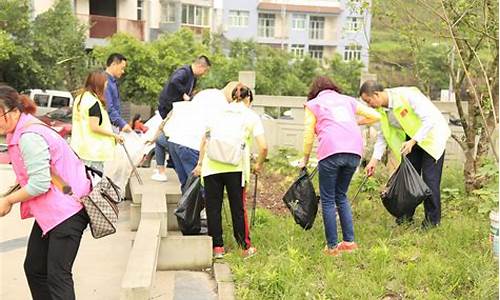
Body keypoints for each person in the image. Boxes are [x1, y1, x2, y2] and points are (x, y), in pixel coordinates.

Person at [0, 85, 91, 299]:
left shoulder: (29, 135)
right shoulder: (26, 129)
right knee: (35, 269)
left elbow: (39, 183)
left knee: (58, 277)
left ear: (14, 111)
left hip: (67, 212)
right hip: (55, 211)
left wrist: (9, 200)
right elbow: (39, 172)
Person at [299, 76, 380, 256]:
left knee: (328, 199)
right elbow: (376, 115)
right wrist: (354, 123)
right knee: (341, 195)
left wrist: (304, 159)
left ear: (315, 91)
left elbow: (307, 136)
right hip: (354, 151)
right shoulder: (347, 101)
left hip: (331, 151)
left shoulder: (314, 104)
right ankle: (349, 243)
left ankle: (332, 247)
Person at [360, 80, 451, 228]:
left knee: (429, 181)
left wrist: (413, 141)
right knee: (407, 178)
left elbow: (429, 120)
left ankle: (432, 222)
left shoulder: (407, 95)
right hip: (412, 138)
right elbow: (383, 135)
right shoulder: (382, 111)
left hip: (432, 137)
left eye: (368, 101)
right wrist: (373, 161)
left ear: (376, 94)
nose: (368, 105)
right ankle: (405, 217)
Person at [193, 84, 268, 259]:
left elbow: (204, 140)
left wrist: (200, 164)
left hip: (212, 167)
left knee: (213, 208)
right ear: (248, 98)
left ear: (233, 96)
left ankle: (217, 248)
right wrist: (259, 165)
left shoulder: (217, 112)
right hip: (236, 168)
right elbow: (264, 147)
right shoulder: (251, 116)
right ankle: (244, 247)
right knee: (238, 208)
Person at [165, 82, 236, 190]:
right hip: (192, 144)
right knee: (199, 187)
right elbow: (211, 132)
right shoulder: (222, 104)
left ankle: (186, 207)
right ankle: (195, 207)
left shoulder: (206, 92)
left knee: (187, 185)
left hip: (175, 140)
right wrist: (201, 163)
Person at [150, 55, 211, 181]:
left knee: (169, 138)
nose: (204, 74)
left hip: (178, 112)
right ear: (200, 66)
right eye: (205, 71)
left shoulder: (193, 78)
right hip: (170, 108)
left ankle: (171, 164)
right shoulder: (184, 72)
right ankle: (163, 168)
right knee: (163, 139)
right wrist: (184, 94)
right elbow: (174, 81)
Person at [71, 70, 124, 172]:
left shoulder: (80, 98)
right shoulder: (93, 102)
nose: (105, 87)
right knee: (94, 182)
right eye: (105, 84)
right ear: (98, 84)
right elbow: (94, 126)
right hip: (93, 151)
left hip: (79, 147)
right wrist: (114, 135)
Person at [105, 53, 132, 133]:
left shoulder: (112, 82)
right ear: (113, 64)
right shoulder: (105, 82)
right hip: (108, 126)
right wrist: (122, 123)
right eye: (122, 68)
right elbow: (109, 107)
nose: (123, 71)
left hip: (113, 125)